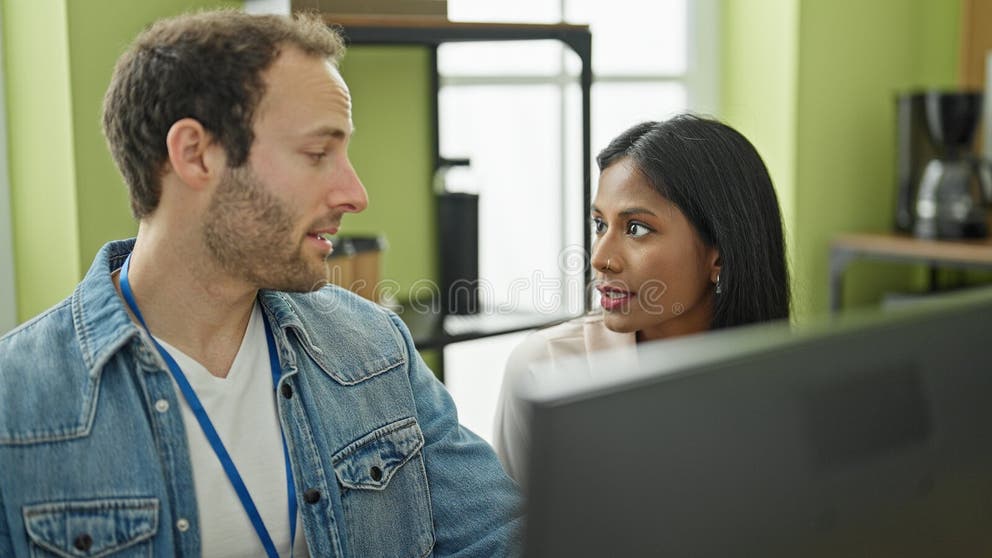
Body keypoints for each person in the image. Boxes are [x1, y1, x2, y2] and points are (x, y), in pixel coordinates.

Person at [0, 10, 521, 557]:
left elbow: (507, 537)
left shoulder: (375, 350)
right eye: (318, 153)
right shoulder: (18, 405)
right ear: (196, 155)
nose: (355, 193)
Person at [493, 115, 791, 480]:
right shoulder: (543, 369)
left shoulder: (785, 382)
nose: (601, 258)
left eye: (636, 228)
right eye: (600, 224)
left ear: (720, 255)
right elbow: (506, 533)